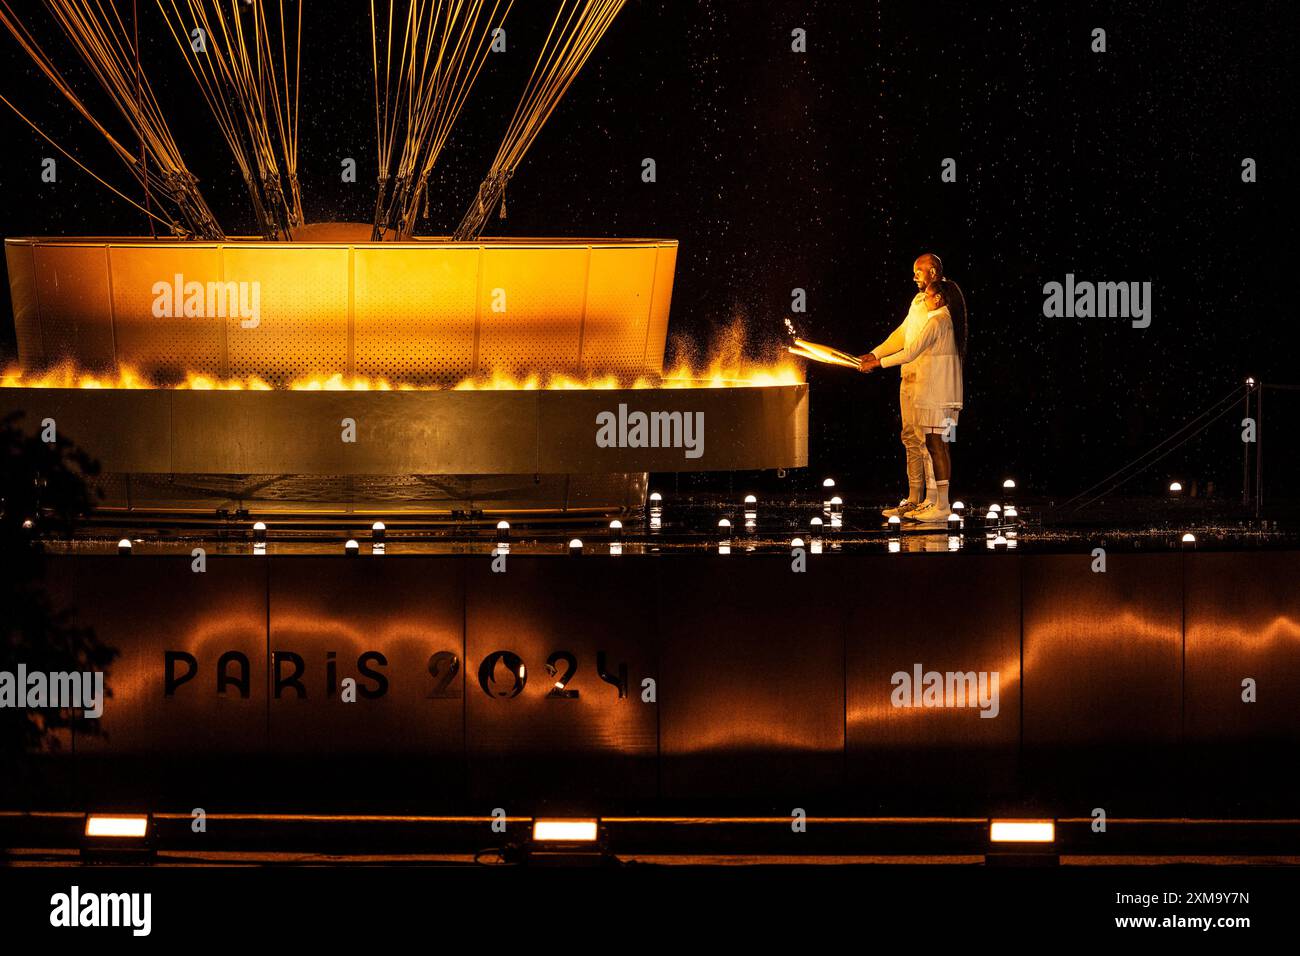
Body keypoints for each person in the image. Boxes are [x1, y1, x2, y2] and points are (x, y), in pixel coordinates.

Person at [861, 272, 967, 523]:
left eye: (928, 297)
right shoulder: (948, 319)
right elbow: (906, 338)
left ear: (939, 298)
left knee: (935, 445)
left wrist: (877, 363)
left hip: (936, 395)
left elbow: (910, 352)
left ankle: (940, 505)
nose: (923, 299)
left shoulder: (937, 320)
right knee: (938, 444)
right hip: (949, 396)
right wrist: (876, 355)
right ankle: (935, 502)